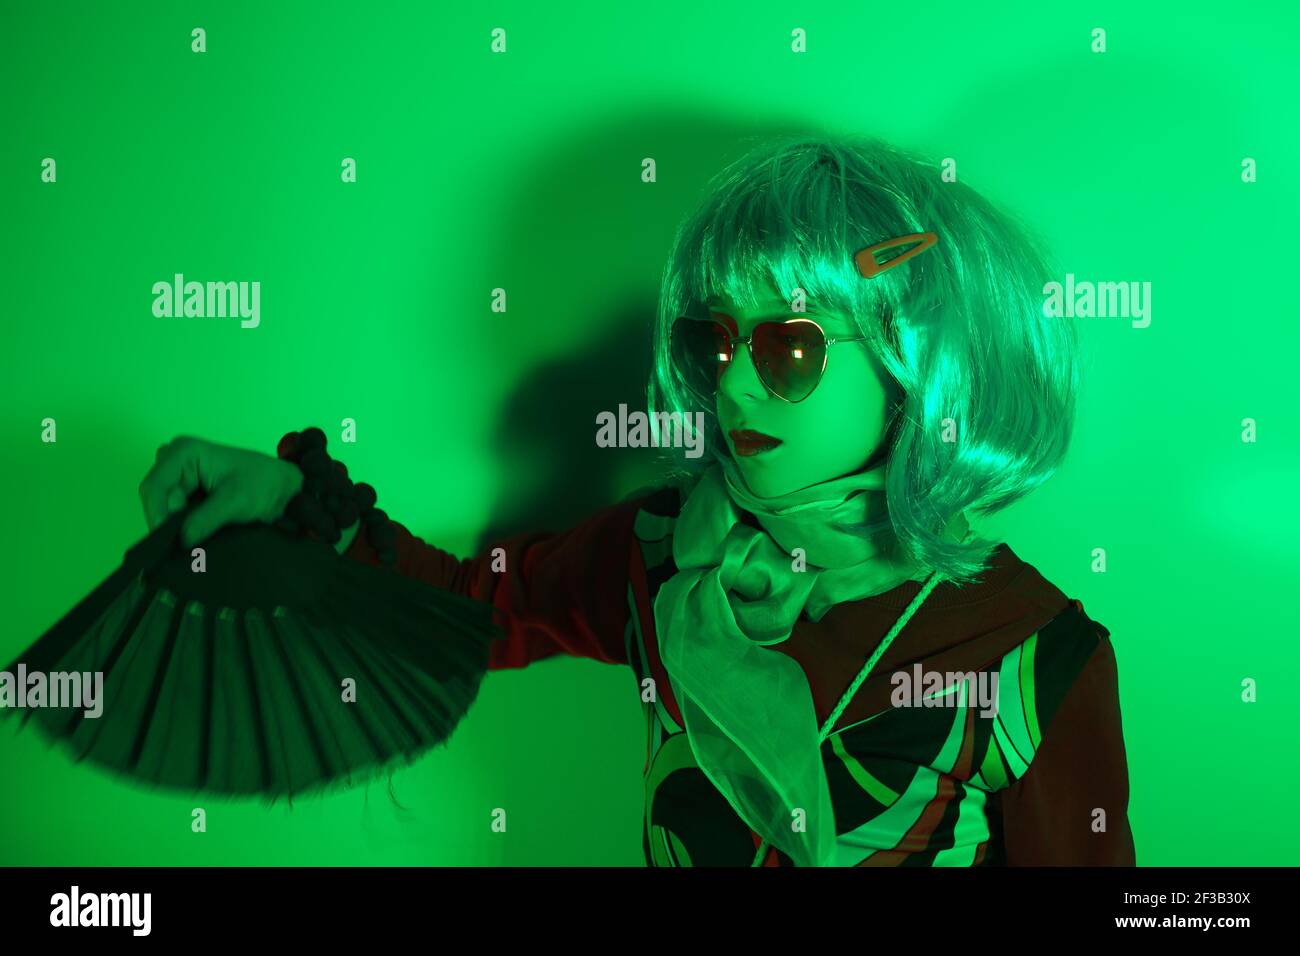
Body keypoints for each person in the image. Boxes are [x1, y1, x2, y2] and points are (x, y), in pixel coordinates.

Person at [140, 134, 1135, 866]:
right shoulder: (666, 544)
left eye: (789, 346)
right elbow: (463, 612)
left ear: (917, 369)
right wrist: (290, 501)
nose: (735, 383)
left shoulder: (1029, 654)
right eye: (714, 339)